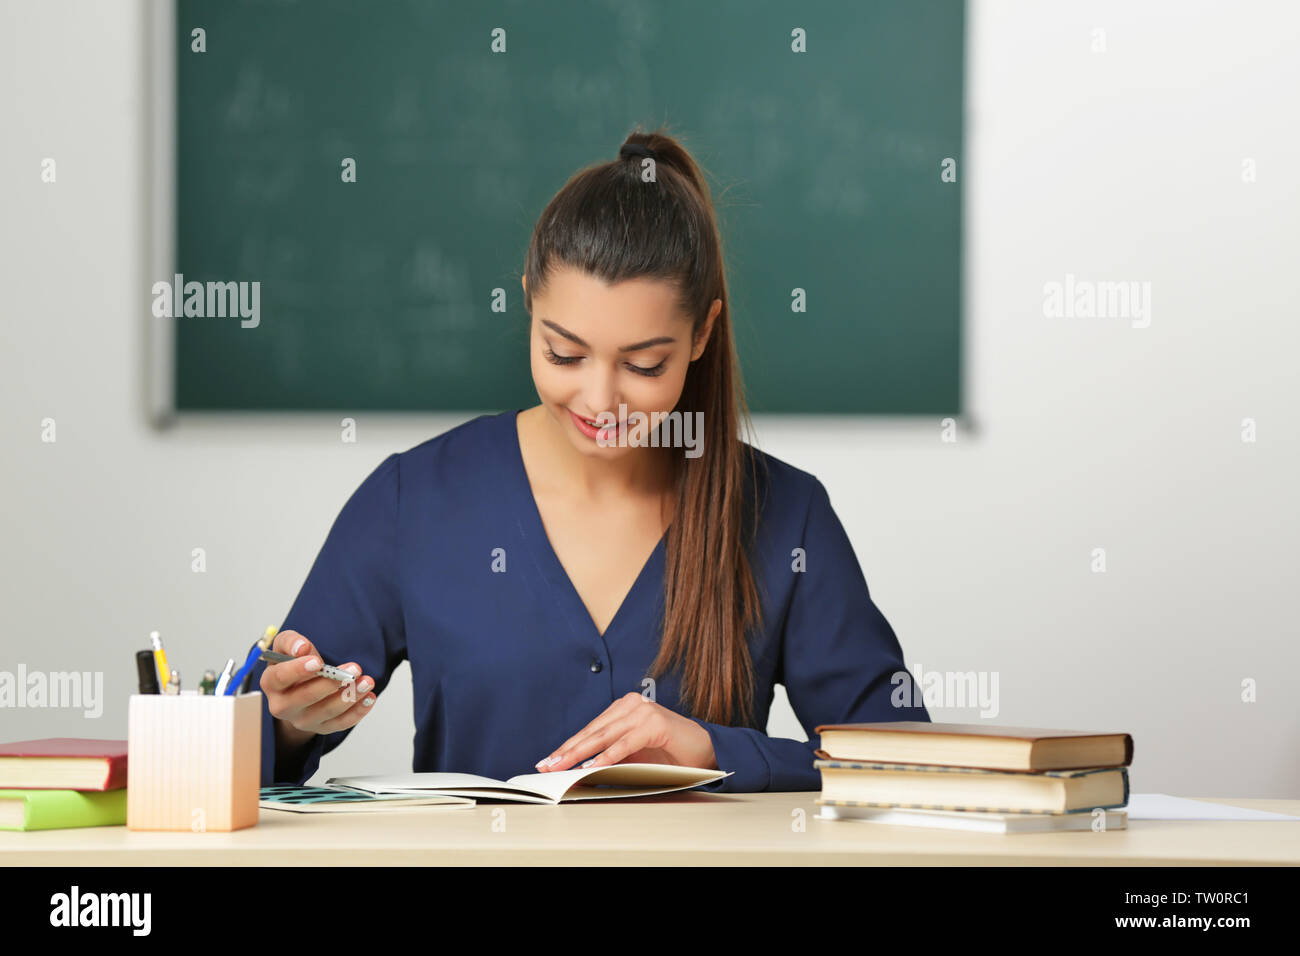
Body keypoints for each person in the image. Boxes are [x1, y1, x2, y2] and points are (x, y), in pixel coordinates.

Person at [253, 128, 929, 792]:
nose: (600, 399)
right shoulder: (416, 498)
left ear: (702, 336)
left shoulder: (786, 515)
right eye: (564, 354)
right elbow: (259, 731)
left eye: (643, 364)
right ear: (527, 300)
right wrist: (290, 722)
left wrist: (714, 750)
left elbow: (903, 762)